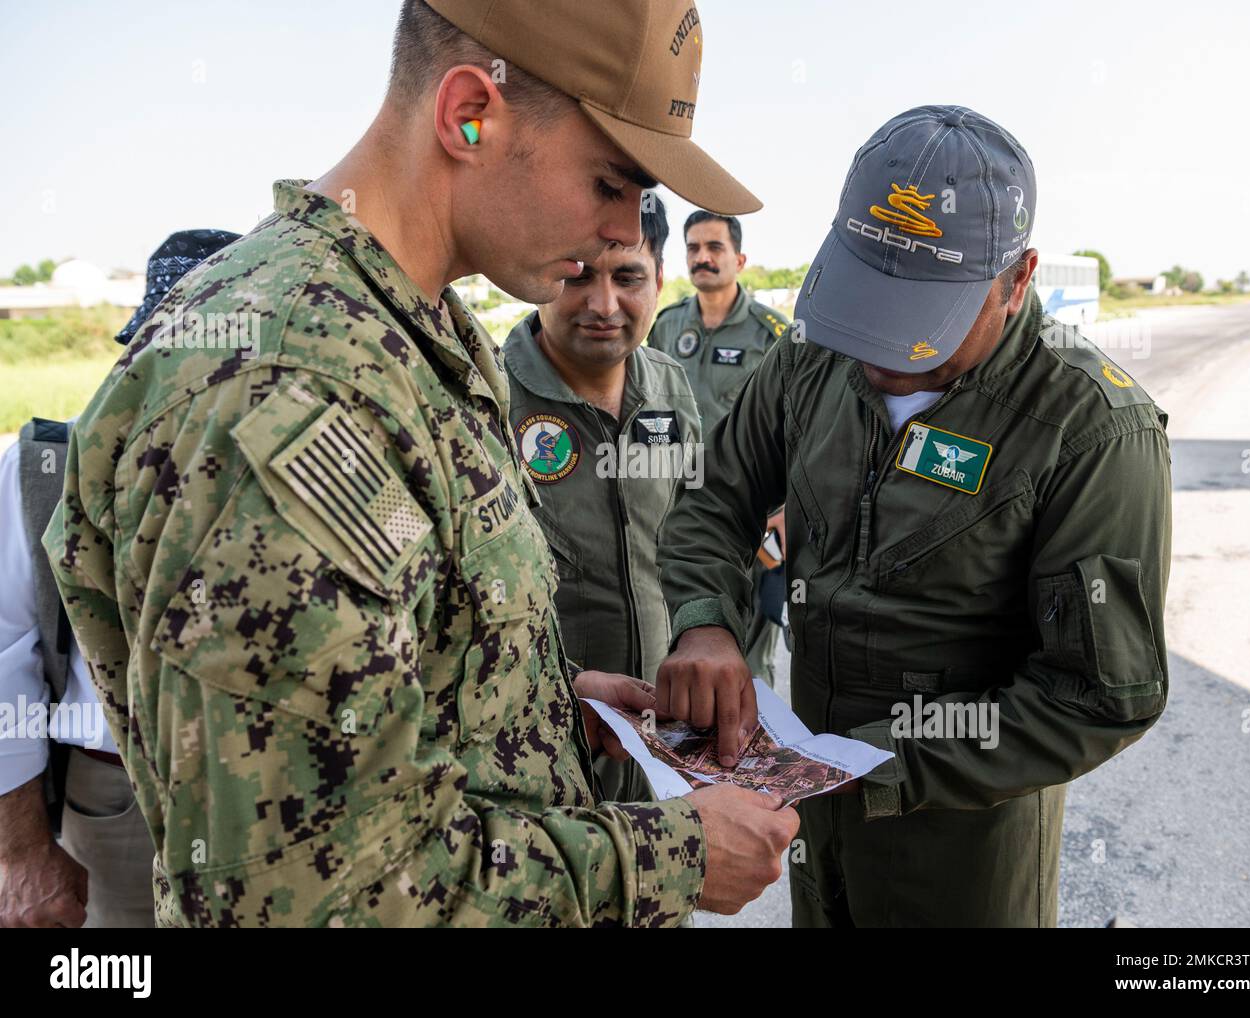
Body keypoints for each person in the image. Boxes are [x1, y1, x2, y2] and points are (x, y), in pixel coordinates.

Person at [43, 0, 797, 928]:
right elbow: (315, 894)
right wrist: (670, 860)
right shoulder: (284, 389)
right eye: (610, 182)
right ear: (469, 114)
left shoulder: (416, 327)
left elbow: (401, 669)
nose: (619, 234)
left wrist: (540, 705)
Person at [655, 105, 1172, 927]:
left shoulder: (1090, 428)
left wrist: (886, 770)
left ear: (1019, 278)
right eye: (867, 301)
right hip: (814, 817)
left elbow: (1099, 694)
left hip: (961, 853)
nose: (882, 349)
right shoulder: (809, 358)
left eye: (920, 322)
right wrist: (703, 624)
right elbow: (715, 500)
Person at [0, 230, 238, 928]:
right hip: (115, 798)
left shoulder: (292, 467)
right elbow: (1, 658)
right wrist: (20, 854)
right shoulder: (44, 471)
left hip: (279, 794)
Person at [503, 194, 699, 802]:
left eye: (628, 276)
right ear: (543, 275)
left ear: (660, 280)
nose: (603, 304)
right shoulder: (484, 397)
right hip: (540, 755)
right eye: (579, 274)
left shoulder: (669, 384)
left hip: (666, 747)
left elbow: (699, 539)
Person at [648, 211, 789, 685]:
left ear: (740, 258)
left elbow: (797, 431)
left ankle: (761, 753)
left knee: (751, 657)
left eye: (714, 248)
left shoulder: (774, 336)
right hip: (677, 518)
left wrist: (785, 508)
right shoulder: (665, 327)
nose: (702, 258)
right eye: (693, 248)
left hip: (750, 520)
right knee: (686, 641)